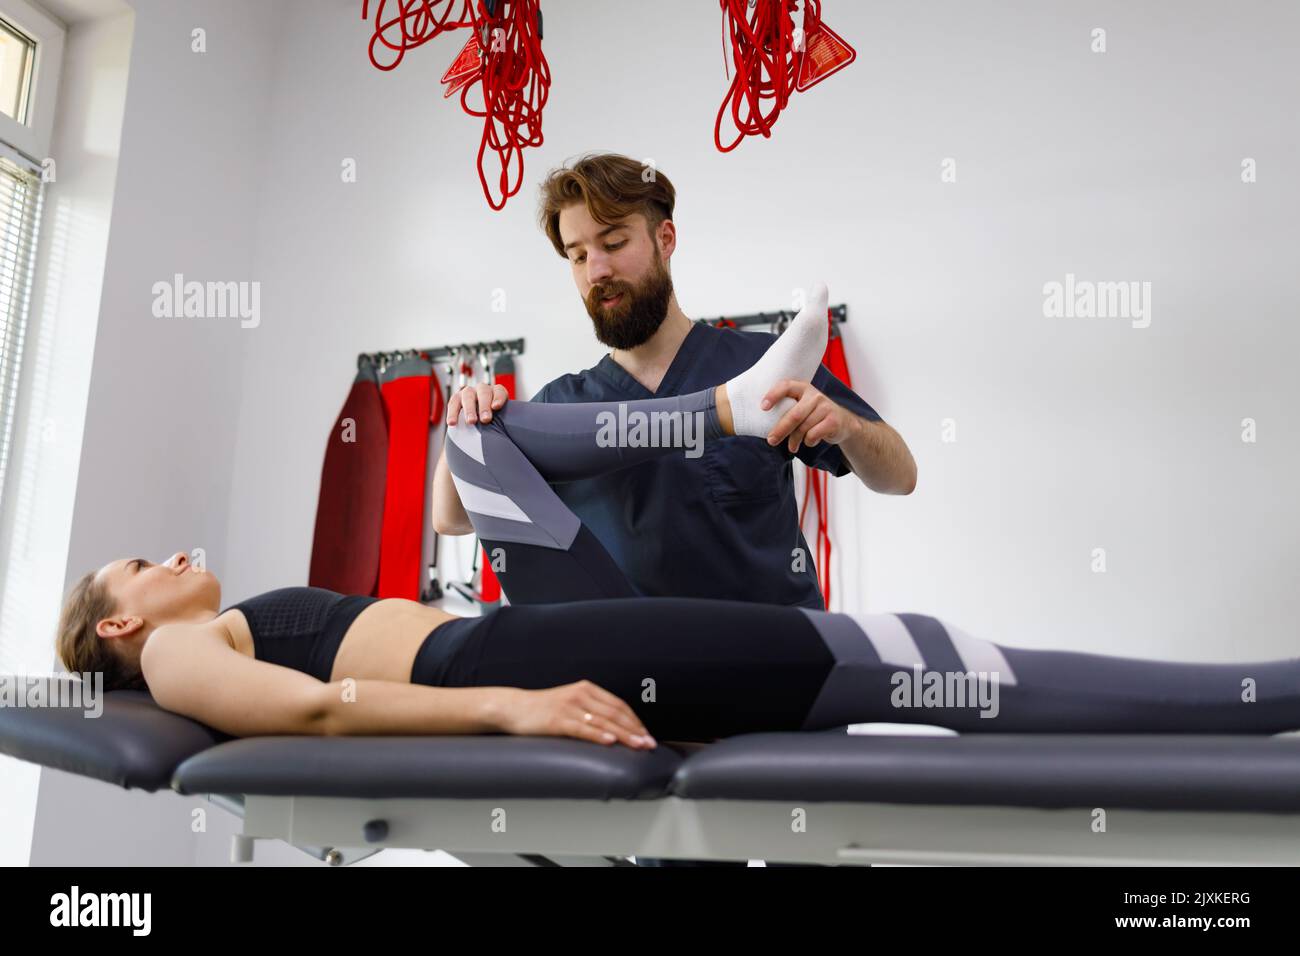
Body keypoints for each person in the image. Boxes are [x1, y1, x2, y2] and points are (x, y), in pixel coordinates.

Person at [57, 288, 1300, 751]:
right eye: (140, 563)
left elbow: (441, 530)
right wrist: (517, 705)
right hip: (514, 656)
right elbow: (324, 706)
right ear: (118, 619)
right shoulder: (172, 650)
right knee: (908, 658)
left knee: (475, 430)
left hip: (535, 624)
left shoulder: (210, 627)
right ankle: (1262, 692)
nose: (173, 556)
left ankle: (731, 404)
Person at [432, 152, 918, 609]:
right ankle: (728, 410)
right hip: (634, 680)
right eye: (578, 257)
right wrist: (468, 422)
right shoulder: (560, 408)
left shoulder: (763, 364)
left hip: (777, 671)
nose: (596, 270)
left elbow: (900, 477)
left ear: (665, 239)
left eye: (614, 243)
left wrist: (847, 429)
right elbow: (450, 518)